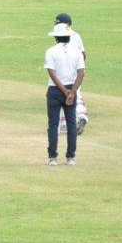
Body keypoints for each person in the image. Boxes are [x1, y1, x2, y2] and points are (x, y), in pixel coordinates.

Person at [44, 22, 85, 166]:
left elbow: (51, 72)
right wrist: (72, 92)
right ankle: (71, 157)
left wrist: (64, 91)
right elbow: (81, 74)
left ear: (56, 38)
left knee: (53, 124)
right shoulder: (77, 52)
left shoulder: (51, 51)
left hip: (56, 89)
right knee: (72, 124)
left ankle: (52, 157)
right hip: (71, 89)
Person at [54, 13, 89, 135]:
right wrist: (80, 67)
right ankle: (81, 114)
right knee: (76, 92)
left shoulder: (60, 35)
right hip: (76, 69)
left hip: (65, 70)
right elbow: (83, 53)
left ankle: (66, 122)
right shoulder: (76, 35)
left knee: (64, 94)